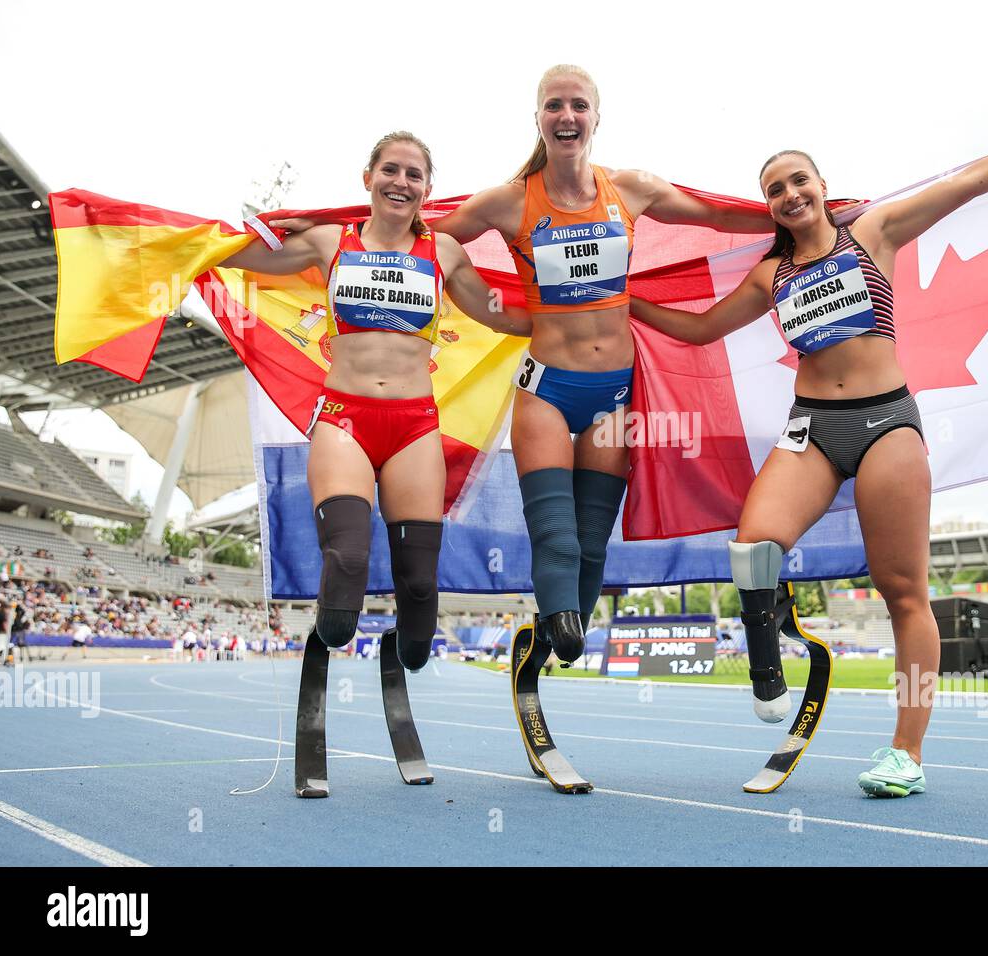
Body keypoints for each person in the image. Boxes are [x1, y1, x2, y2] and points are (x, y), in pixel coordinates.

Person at [630, 110, 988, 797]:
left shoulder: (873, 233)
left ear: (822, 185)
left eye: (798, 180)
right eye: (774, 189)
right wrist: (629, 304)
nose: (789, 194)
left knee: (903, 591)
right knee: (753, 545)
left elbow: (972, 180)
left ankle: (904, 753)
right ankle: (766, 662)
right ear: (768, 206)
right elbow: (704, 327)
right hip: (812, 426)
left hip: (885, 421)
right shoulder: (771, 276)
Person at [375, 65, 771, 665]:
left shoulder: (632, 189)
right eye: (554, 105)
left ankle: (560, 634)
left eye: (578, 106)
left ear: (595, 118)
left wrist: (801, 219)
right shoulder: (509, 202)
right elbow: (422, 242)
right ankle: (557, 619)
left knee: (591, 537)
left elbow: (714, 218)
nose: (567, 116)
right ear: (538, 118)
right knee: (556, 532)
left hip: (615, 393)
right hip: (546, 388)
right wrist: (493, 311)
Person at [224, 130, 532, 671]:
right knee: (347, 559)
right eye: (390, 170)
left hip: (414, 426)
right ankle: (333, 625)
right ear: (368, 178)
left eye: (414, 175)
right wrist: (217, 237)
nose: (401, 181)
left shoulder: (443, 252)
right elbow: (244, 258)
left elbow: (496, 311)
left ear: (427, 189)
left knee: (417, 591)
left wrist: (579, 316)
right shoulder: (329, 242)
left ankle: (405, 648)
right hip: (345, 418)